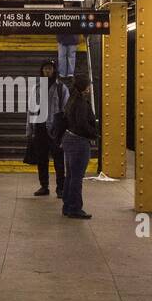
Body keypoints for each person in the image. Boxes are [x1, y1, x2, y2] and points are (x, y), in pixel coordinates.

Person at [24, 60, 67, 197]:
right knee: (42, 159)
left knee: (59, 160)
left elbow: (66, 109)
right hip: (40, 127)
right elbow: (30, 109)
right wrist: (29, 129)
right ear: (42, 71)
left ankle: (61, 188)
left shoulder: (61, 88)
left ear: (54, 70)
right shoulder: (36, 87)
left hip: (56, 129)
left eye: (50, 68)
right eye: (45, 69)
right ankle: (44, 186)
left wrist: (65, 129)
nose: (48, 71)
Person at [60, 71, 97, 220]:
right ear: (85, 87)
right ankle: (75, 208)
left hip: (69, 139)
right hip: (79, 142)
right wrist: (94, 134)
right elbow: (82, 124)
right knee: (77, 177)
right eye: (88, 85)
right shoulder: (81, 102)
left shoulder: (72, 100)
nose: (90, 88)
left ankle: (67, 206)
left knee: (70, 175)